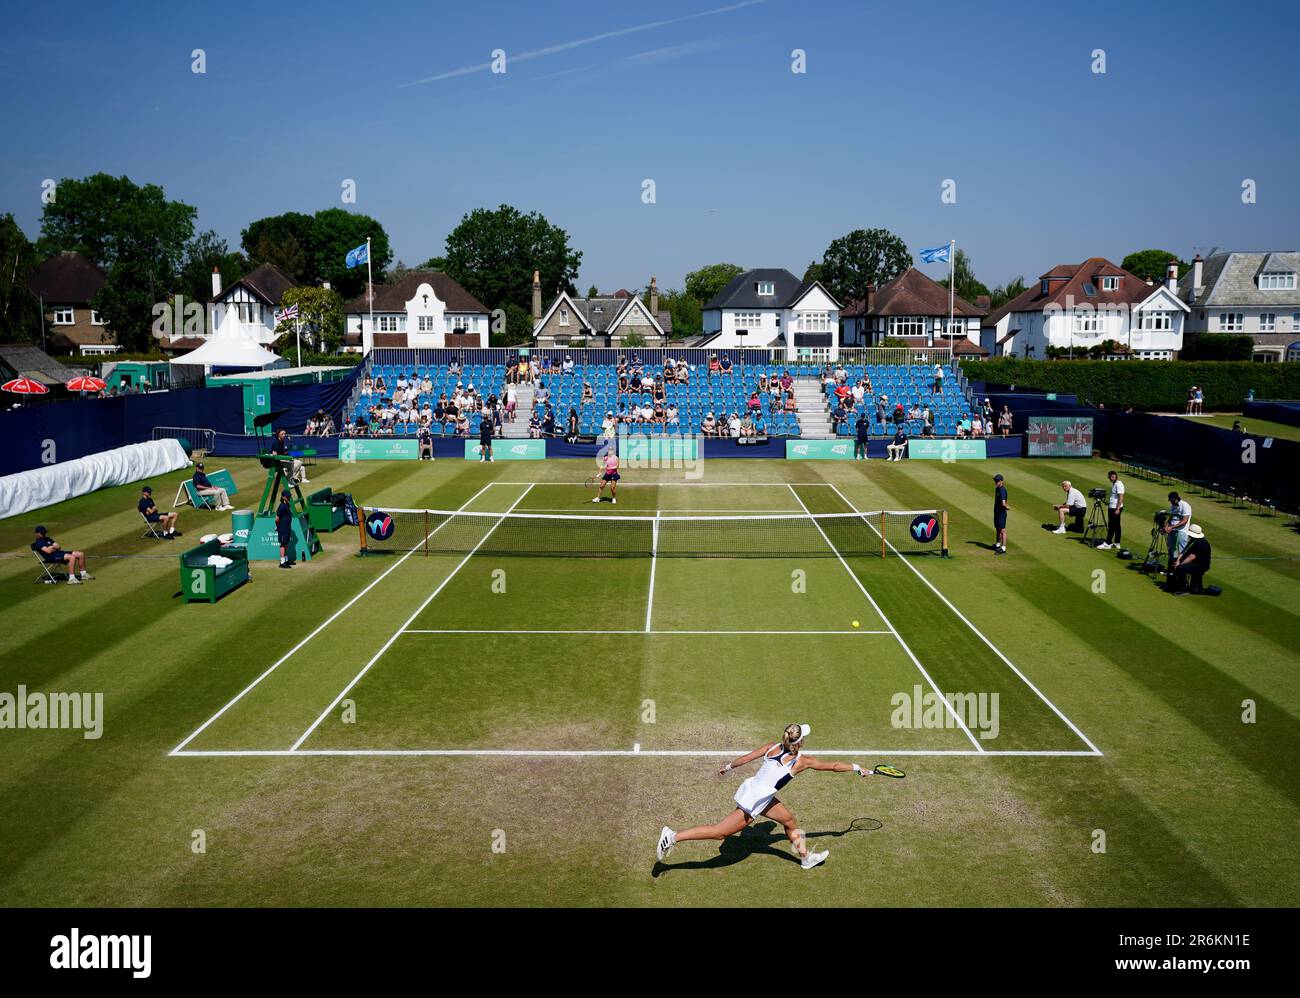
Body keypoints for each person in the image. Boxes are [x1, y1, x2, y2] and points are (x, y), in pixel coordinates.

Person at [655, 724, 874, 871]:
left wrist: (729, 767)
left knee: (788, 820)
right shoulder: (801, 761)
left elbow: (747, 758)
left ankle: (806, 858)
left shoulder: (772, 747)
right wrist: (856, 767)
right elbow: (833, 766)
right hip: (755, 801)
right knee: (718, 833)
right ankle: (672, 837)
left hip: (758, 793)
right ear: (799, 743)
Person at [1168, 524, 1211, 595]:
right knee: (1173, 561)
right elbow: (1184, 551)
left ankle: (1183, 589)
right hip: (1194, 562)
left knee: (1181, 568)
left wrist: (1179, 565)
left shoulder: (1201, 543)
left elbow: (1191, 557)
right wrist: (1178, 561)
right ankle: (1172, 584)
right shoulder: (1193, 540)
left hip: (1200, 565)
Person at [1163, 491, 1192, 570]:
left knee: (1183, 552)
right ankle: (1172, 568)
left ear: (1175, 499)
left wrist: (1172, 527)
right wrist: (1167, 525)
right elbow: (1171, 517)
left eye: (1171, 500)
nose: (1171, 502)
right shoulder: (1173, 506)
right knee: (1172, 551)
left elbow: (1184, 521)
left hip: (1182, 532)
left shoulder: (1185, 506)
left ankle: (1182, 568)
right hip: (1173, 531)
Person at [1096, 470, 1125, 549]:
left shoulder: (1118, 484)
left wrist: (1117, 509)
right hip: (1113, 507)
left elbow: (1121, 497)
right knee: (1116, 526)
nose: (1111, 478)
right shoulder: (1115, 484)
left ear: (1116, 477)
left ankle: (1108, 543)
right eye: (1110, 477)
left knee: (1111, 525)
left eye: (1113, 477)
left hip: (1115, 508)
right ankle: (1117, 542)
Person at [276, 492, 295, 569]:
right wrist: (278, 527)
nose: (289, 497)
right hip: (283, 528)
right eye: (287, 496)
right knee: (283, 544)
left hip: (287, 527)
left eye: (289, 496)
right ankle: (282, 563)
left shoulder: (287, 505)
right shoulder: (281, 507)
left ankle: (286, 560)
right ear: (283, 497)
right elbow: (277, 519)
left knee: (286, 544)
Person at [992, 473, 1009, 555]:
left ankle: (1003, 548)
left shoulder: (1002, 490)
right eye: (995, 480)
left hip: (1001, 513)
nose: (995, 482)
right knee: (997, 528)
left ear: (1001, 481)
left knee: (1002, 530)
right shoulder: (997, 489)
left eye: (997, 481)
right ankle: (998, 544)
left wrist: (1007, 507)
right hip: (997, 512)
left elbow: (1003, 503)